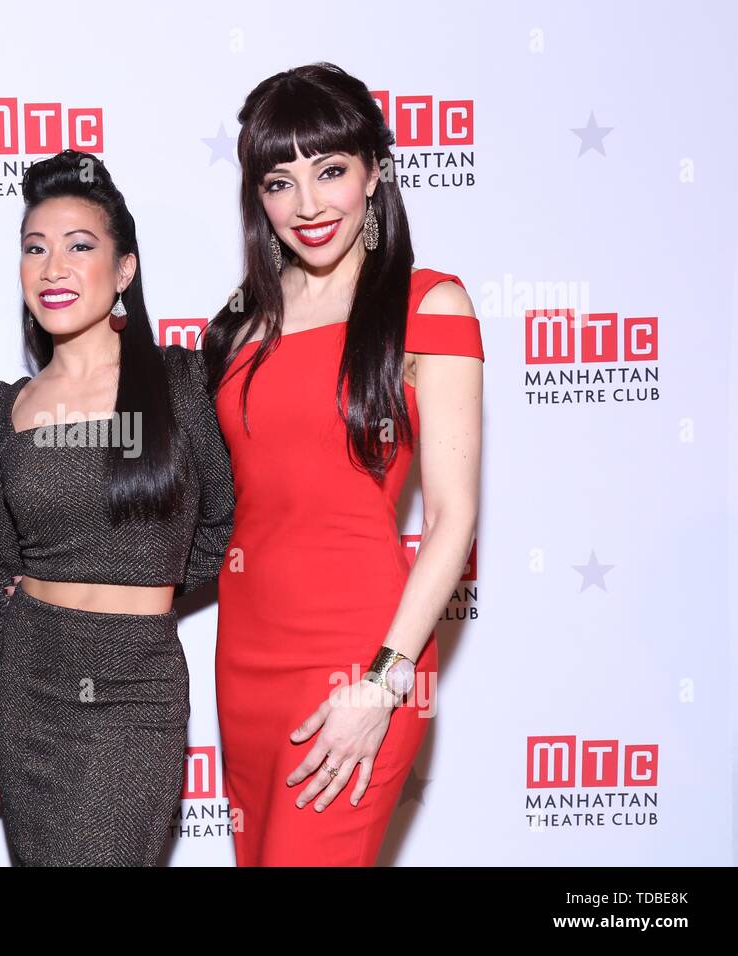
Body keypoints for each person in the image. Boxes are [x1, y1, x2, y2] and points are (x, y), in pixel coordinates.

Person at [201, 63, 484, 866]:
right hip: (246, 655)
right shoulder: (242, 324)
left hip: (360, 656)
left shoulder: (429, 306)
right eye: (279, 181)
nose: (308, 205)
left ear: (373, 174)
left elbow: (453, 519)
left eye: (330, 171)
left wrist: (383, 681)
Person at [0, 149, 235, 866]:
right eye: (35, 249)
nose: (52, 268)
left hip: (133, 687)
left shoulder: (180, 381)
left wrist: (146, 581)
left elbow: (220, 523)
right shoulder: (8, 408)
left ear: (124, 271)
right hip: (31, 679)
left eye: (78, 246)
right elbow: (9, 567)